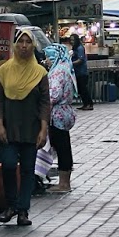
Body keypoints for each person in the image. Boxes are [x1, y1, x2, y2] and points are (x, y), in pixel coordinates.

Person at [0, 30, 49, 227]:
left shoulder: (40, 73)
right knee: (7, 165)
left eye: (27, 42)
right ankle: (11, 205)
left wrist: (43, 129)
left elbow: (44, 103)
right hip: (8, 127)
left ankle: (23, 210)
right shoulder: (4, 71)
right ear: (15, 45)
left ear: (33, 46)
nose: (24, 45)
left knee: (27, 170)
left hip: (31, 128)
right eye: (20, 42)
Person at [43, 43, 79, 194]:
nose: (46, 61)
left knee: (62, 146)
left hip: (57, 115)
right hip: (64, 113)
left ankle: (64, 184)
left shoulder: (58, 71)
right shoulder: (65, 68)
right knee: (64, 145)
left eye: (48, 58)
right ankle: (64, 182)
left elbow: (54, 94)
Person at [69, 32, 93, 110]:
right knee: (80, 89)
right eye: (71, 40)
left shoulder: (79, 48)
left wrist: (70, 64)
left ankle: (89, 104)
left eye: (73, 40)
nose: (72, 41)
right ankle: (85, 104)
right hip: (77, 72)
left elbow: (81, 60)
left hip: (82, 72)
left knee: (83, 89)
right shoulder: (74, 48)